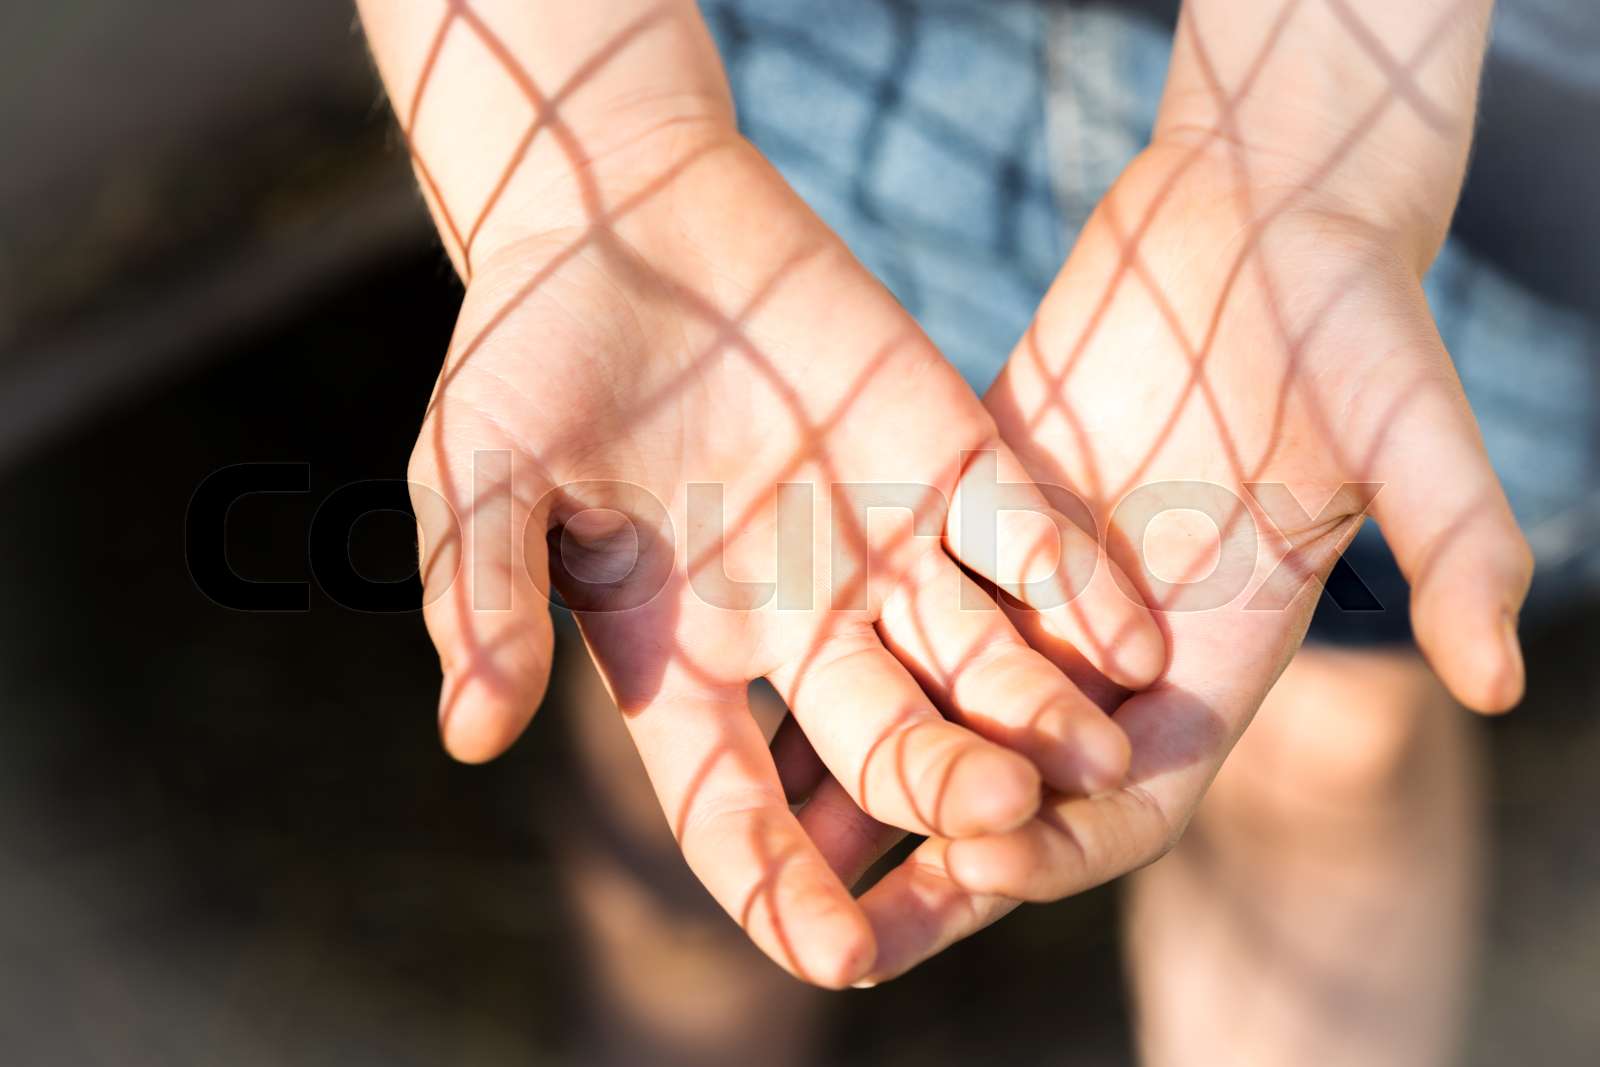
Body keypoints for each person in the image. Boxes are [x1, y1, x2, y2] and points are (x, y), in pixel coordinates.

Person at [356, 1, 1598, 1063]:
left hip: (1408, 63)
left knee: (1323, 727)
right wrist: (597, 170)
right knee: (704, 631)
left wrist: (1303, 163)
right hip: (750, 71)